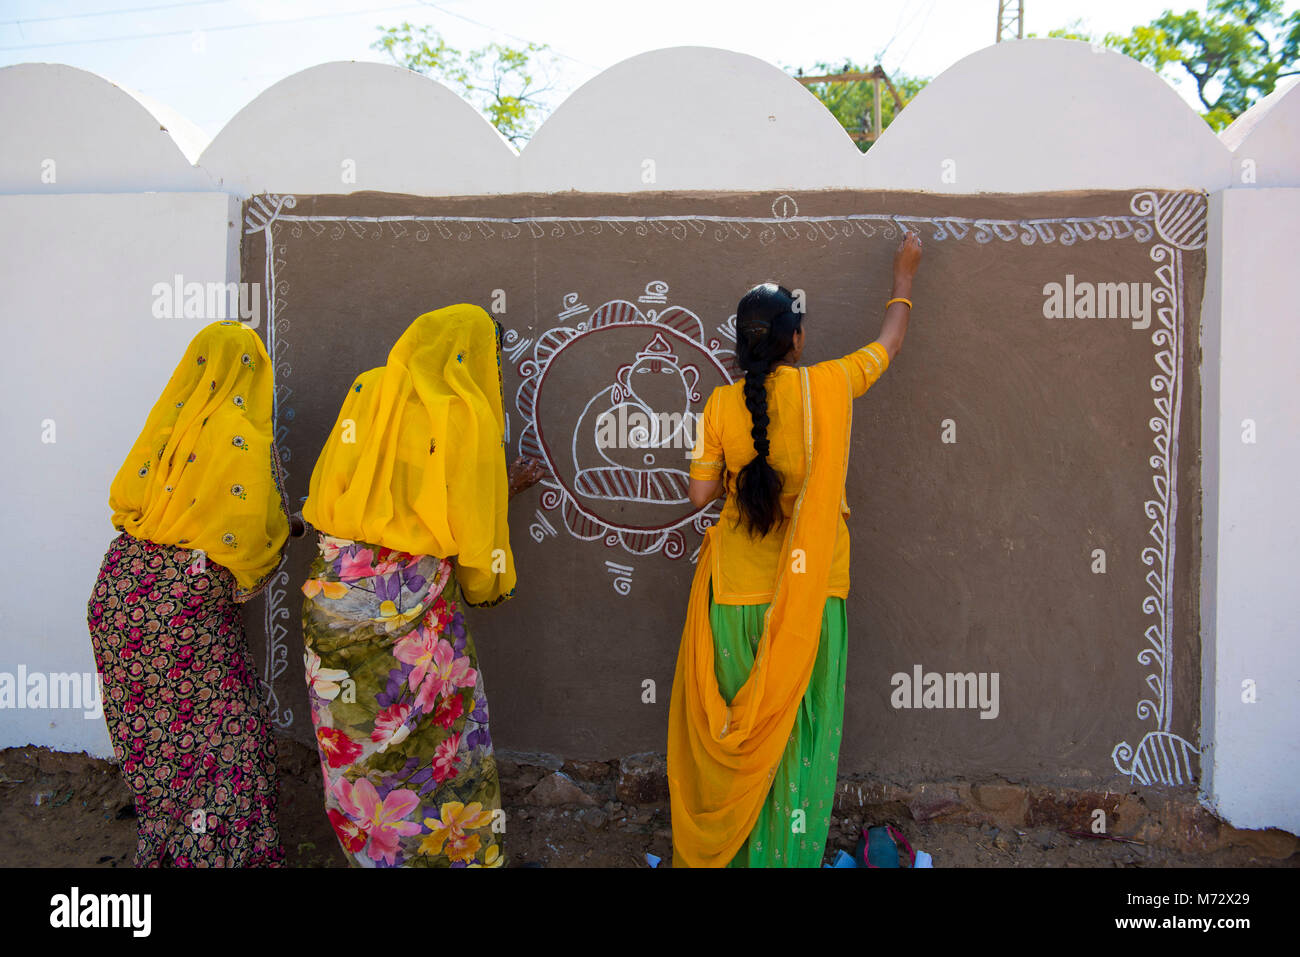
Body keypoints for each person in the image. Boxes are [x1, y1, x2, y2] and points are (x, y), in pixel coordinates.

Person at [667, 232, 924, 867]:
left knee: (745, 737)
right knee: (799, 737)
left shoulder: (722, 405)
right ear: (797, 339)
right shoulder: (831, 386)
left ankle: (727, 851)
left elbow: (700, 496)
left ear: (741, 343)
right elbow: (888, 345)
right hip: (809, 598)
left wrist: (733, 474)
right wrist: (904, 276)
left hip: (734, 595)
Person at [299, 303, 543, 868]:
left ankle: (374, 856)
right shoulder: (463, 412)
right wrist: (487, 583)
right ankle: (448, 858)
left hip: (333, 595)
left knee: (357, 743)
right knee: (440, 740)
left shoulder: (368, 390)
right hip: (412, 604)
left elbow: (369, 492)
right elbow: (464, 521)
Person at [86, 319, 294, 867]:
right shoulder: (240, 431)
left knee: (157, 736)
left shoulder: (171, 420)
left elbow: (140, 499)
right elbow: (251, 535)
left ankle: (168, 852)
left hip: (121, 588)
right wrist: (284, 534)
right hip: (184, 599)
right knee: (233, 739)